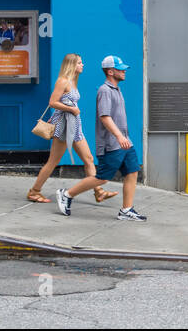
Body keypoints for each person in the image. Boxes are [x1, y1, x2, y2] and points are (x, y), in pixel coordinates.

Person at [57, 55, 146, 221]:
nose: (124, 71)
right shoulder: (104, 91)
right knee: (102, 178)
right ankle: (67, 194)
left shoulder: (116, 89)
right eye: (120, 69)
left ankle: (126, 210)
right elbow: (105, 117)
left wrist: (123, 137)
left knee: (133, 171)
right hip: (112, 144)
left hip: (125, 142)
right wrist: (119, 136)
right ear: (111, 72)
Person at [26, 54, 117, 205]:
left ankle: (99, 192)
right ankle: (34, 191)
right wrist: (72, 109)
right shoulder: (63, 81)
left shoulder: (73, 81)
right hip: (64, 127)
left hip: (74, 126)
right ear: (72, 65)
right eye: (80, 63)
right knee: (53, 161)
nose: (83, 65)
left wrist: (71, 110)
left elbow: (62, 102)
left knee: (88, 159)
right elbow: (53, 102)